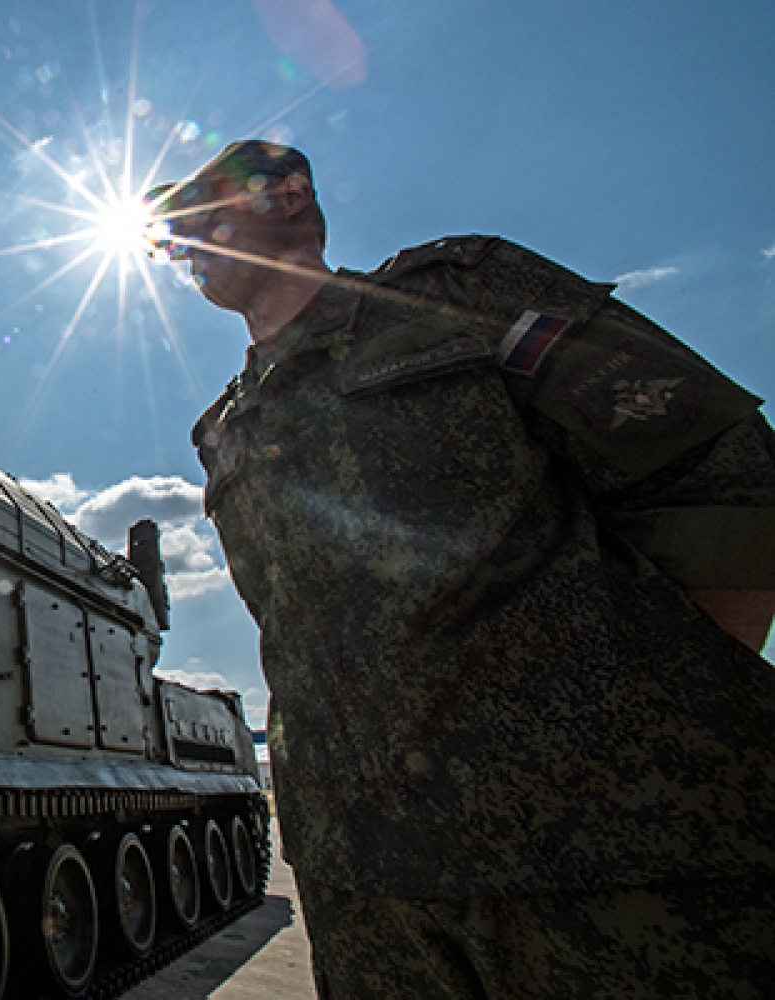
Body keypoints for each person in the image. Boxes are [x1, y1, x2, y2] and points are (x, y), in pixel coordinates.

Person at [146, 141, 775, 997]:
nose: (186, 246)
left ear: (290, 194)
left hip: (606, 862)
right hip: (367, 884)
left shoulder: (456, 299)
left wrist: (651, 724)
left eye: (203, 213)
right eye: (170, 239)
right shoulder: (227, 429)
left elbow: (723, 479)